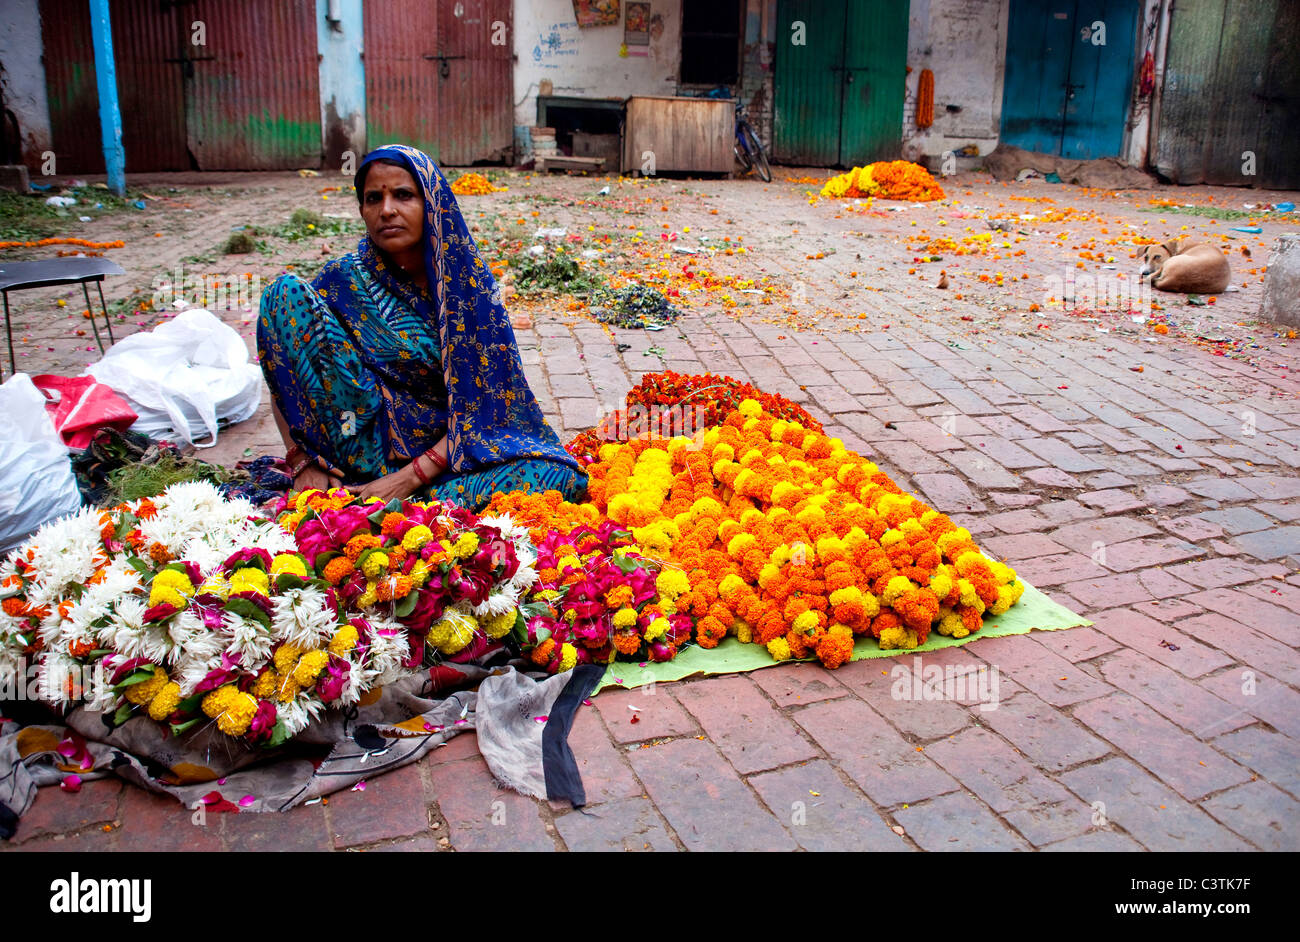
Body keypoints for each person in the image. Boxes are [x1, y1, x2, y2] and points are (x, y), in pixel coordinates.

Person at [256, 144, 586, 511]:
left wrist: (410, 476)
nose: (387, 210)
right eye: (372, 199)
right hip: (352, 449)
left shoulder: (470, 290)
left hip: (444, 463)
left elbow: (489, 409)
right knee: (282, 294)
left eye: (403, 195)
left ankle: (399, 502)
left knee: (560, 478)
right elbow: (285, 376)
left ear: (432, 203)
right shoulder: (342, 281)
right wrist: (301, 461)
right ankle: (387, 499)